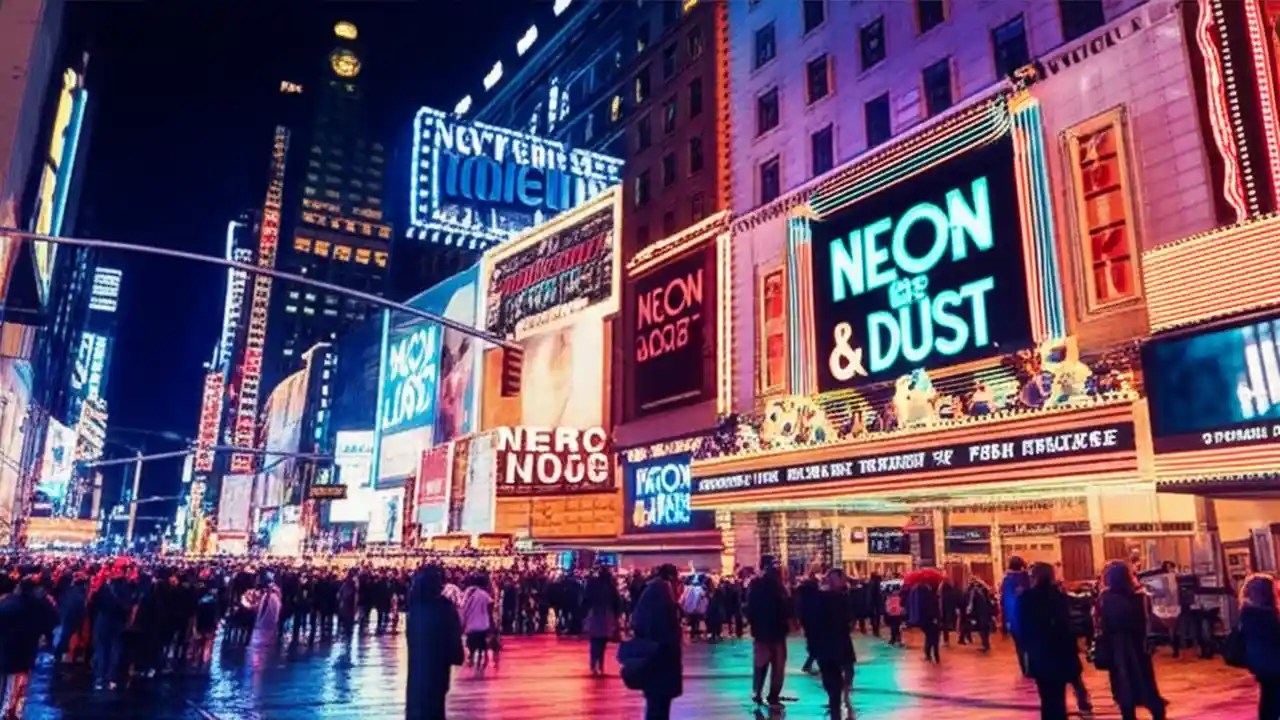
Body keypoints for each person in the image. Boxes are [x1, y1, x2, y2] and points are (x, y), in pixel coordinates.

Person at [1096, 560, 1166, 720]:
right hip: (1138, 646)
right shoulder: (1139, 598)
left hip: (1117, 649)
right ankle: (1158, 713)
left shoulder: (1106, 599)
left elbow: (1104, 625)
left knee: (1124, 690)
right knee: (1147, 686)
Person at [1018, 563, 1088, 720]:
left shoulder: (1027, 598)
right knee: (1058, 696)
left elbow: (1023, 628)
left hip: (1040, 654)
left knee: (1046, 697)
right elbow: (1068, 625)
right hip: (1059, 653)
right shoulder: (1059, 597)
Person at [405, 565, 464, 720]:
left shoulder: (414, 608)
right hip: (437, 668)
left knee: (416, 704)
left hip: (417, 667)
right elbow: (454, 642)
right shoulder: (444, 607)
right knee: (435, 705)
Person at [628, 564, 683, 720]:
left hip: (656, 657)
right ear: (671, 577)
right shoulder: (662, 592)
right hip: (660, 658)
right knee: (658, 706)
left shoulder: (653, 590)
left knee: (656, 704)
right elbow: (664, 626)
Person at [0, 576, 58, 718]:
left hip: (7, 653)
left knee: (8, 689)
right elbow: (54, 620)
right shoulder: (40, 605)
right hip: (24, 655)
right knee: (17, 691)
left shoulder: (8, 605)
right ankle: (11, 714)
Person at [812, 569, 857, 718]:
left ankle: (839, 701)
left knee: (842, 674)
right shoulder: (826, 597)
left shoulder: (843, 595)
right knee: (834, 680)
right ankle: (836, 707)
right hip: (832, 644)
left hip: (834, 644)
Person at [746, 565, 791, 707]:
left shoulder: (755, 587)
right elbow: (787, 610)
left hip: (761, 633)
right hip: (777, 633)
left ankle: (757, 692)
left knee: (760, 664)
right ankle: (773, 695)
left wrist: (754, 625)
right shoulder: (781, 590)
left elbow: (750, 609)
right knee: (778, 667)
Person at [1239, 573, 1280, 719]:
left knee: (1268, 695)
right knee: (1273, 696)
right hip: (1274, 661)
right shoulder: (1268, 615)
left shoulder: (1247, 612)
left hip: (1258, 660)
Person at [582, 566, 621, 676]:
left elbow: (586, 600)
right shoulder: (610, 586)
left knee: (594, 641)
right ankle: (600, 665)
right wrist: (617, 616)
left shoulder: (593, 585)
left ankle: (594, 664)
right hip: (606, 615)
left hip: (595, 613)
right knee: (602, 642)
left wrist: (583, 614)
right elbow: (617, 602)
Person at [1001, 556, 1032, 676]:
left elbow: (1005, 602)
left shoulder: (1007, 581)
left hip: (1014, 619)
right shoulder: (1028, 578)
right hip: (1029, 618)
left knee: (1019, 646)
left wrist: (1006, 621)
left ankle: (1024, 669)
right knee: (1030, 645)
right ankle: (1031, 668)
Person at [459, 576, 494, 668]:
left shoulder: (468, 593)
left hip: (471, 624)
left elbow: (463, 607)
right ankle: (482, 657)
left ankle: (472, 656)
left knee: (471, 642)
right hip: (483, 623)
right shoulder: (484, 594)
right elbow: (490, 605)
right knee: (482, 643)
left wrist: (463, 622)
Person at [909, 578, 942, 663]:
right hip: (931, 620)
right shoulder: (929, 594)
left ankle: (929, 654)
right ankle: (934, 655)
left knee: (930, 637)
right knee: (934, 637)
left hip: (926, 620)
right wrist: (935, 617)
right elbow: (932, 608)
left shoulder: (919, 591)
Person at [250, 572, 282, 653]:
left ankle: (268, 641)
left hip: (269, 613)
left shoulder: (270, 594)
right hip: (270, 613)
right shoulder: (273, 593)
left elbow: (266, 606)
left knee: (267, 626)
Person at [963, 578, 995, 651]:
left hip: (981, 613)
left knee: (982, 630)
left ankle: (985, 645)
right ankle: (986, 645)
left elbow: (971, 603)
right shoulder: (984, 591)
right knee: (984, 629)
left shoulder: (975, 591)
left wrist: (970, 612)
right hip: (985, 613)